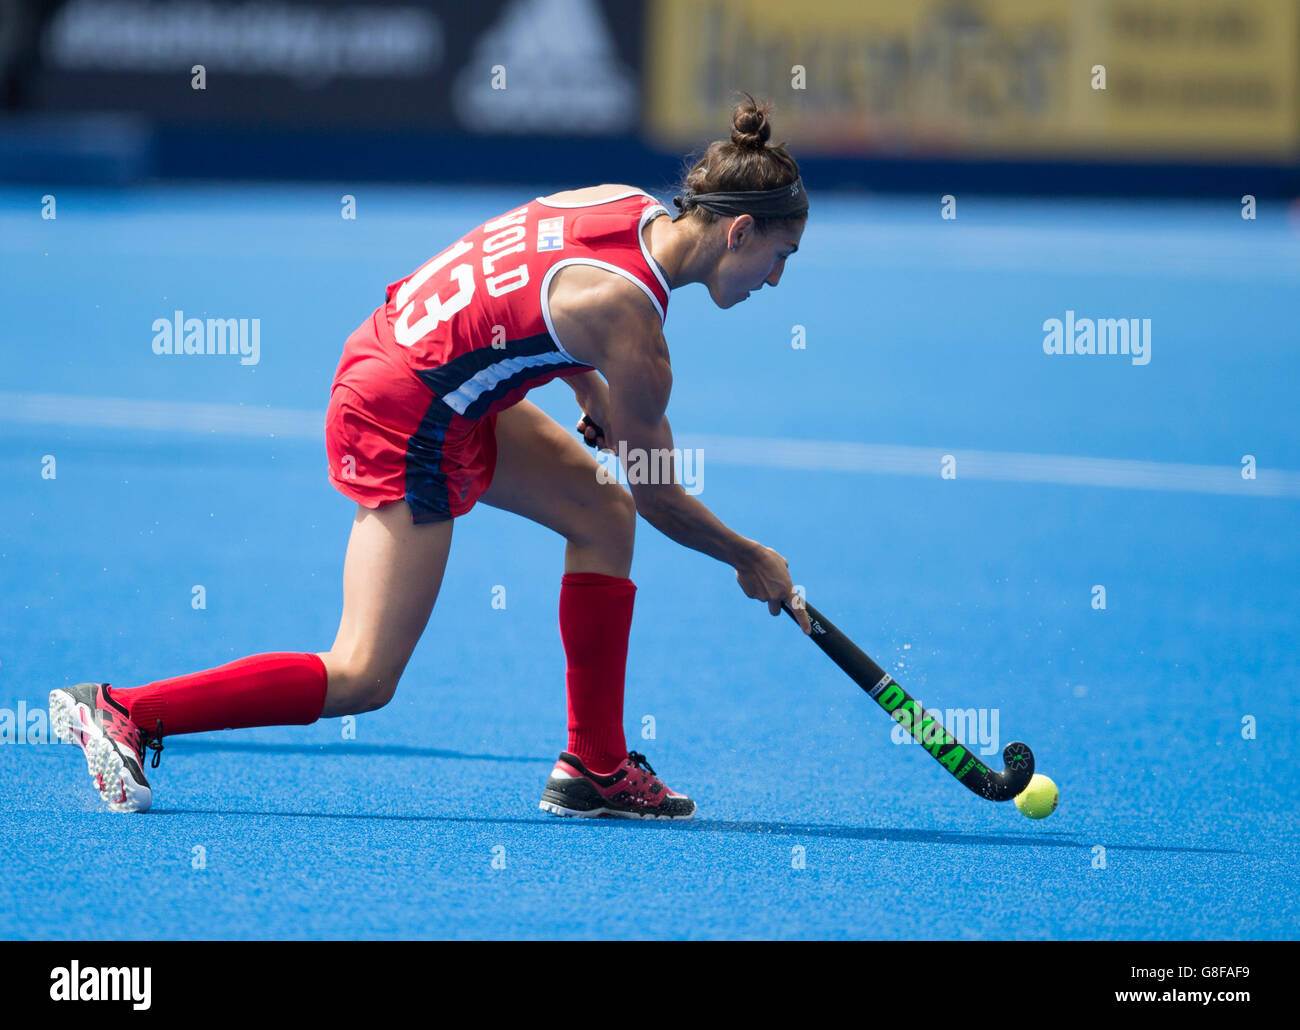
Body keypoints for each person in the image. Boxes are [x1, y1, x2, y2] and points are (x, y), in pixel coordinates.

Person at [49, 94, 813, 820]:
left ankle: (596, 768)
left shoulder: (622, 204)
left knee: (600, 511)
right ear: (739, 231)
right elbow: (661, 496)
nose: (776, 280)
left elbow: (533, 291)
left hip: (422, 363)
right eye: (781, 257)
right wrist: (750, 558)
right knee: (364, 673)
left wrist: (589, 397)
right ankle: (125, 710)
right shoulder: (637, 335)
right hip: (404, 411)